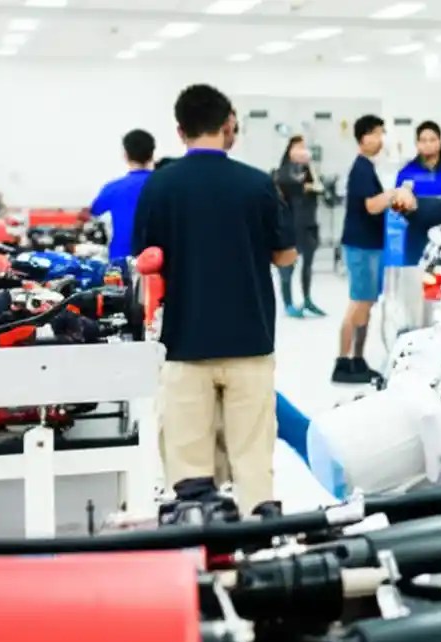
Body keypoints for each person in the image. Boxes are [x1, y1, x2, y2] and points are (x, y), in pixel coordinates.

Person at [133, 83, 297, 518]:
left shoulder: (160, 186)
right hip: (251, 341)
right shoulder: (257, 184)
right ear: (228, 125)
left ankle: (201, 559)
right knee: (254, 465)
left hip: (186, 344)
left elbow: (145, 259)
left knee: (190, 473)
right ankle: (264, 548)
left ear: (180, 130)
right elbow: (286, 255)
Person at [334, 114, 414, 384]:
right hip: (361, 247)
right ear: (364, 137)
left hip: (370, 245)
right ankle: (343, 362)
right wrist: (394, 193)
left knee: (366, 304)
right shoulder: (361, 169)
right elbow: (371, 206)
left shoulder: (367, 168)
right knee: (358, 303)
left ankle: (358, 359)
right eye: (378, 133)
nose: (382, 140)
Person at [394, 120, 441, 265]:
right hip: (416, 240)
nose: (428, 144)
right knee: (415, 282)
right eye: (423, 140)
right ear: (417, 144)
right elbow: (398, 207)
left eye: (432, 139)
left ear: (440, 142)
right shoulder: (406, 172)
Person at [86, 129, 155, 267]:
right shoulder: (164, 184)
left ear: (125, 155)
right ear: (152, 153)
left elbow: (92, 214)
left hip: (121, 261)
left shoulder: (113, 188)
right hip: (157, 260)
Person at [275, 135, 325, 318]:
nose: (303, 150)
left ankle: (307, 299)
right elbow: (293, 185)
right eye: (298, 147)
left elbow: (319, 188)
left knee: (308, 264)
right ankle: (288, 303)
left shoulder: (308, 171)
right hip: (291, 225)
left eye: (304, 147)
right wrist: (307, 185)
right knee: (288, 265)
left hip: (309, 224)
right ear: (290, 150)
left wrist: (311, 168)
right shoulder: (284, 172)